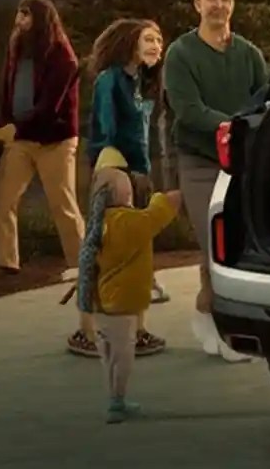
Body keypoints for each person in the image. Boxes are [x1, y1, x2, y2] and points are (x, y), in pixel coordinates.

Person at [163, 0, 266, 363]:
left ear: (232, 4)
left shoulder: (249, 54)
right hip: (200, 160)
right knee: (213, 245)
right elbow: (189, 111)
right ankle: (226, 331)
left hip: (241, 162)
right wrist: (235, 127)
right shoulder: (181, 54)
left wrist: (247, 134)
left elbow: (263, 100)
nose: (218, 5)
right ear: (198, 3)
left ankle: (205, 312)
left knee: (233, 245)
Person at [0, 0, 96, 355]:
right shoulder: (16, 49)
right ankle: (7, 263)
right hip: (21, 138)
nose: (19, 19)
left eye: (26, 14)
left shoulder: (62, 57)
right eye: (18, 13)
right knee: (4, 198)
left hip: (54, 140)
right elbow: (8, 90)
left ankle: (82, 266)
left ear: (41, 19)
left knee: (62, 203)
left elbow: (50, 107)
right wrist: (5, 122)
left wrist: (15, 128)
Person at [84, 17, 170, 357]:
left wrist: (147, 172)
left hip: (139, 173)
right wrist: (120, 175)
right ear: (129, 42)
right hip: (115, 172)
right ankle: (87, 331)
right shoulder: (110, 80)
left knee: (139, 252)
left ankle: (139, 331)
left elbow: (147, 134)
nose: (156, 46)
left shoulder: (143, 83)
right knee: (102, 252)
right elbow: (106, 131)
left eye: (159, 40)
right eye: (149, 39)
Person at [76, 157, 182, 423]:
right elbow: (157, 215)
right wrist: (167, 197)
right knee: (123, 356)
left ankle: (114, 397)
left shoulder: (99, 224)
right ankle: (117, 403)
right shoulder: (128, 222)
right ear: (123, 194)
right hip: (121, 307)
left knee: (109, 356)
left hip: (100, 304)